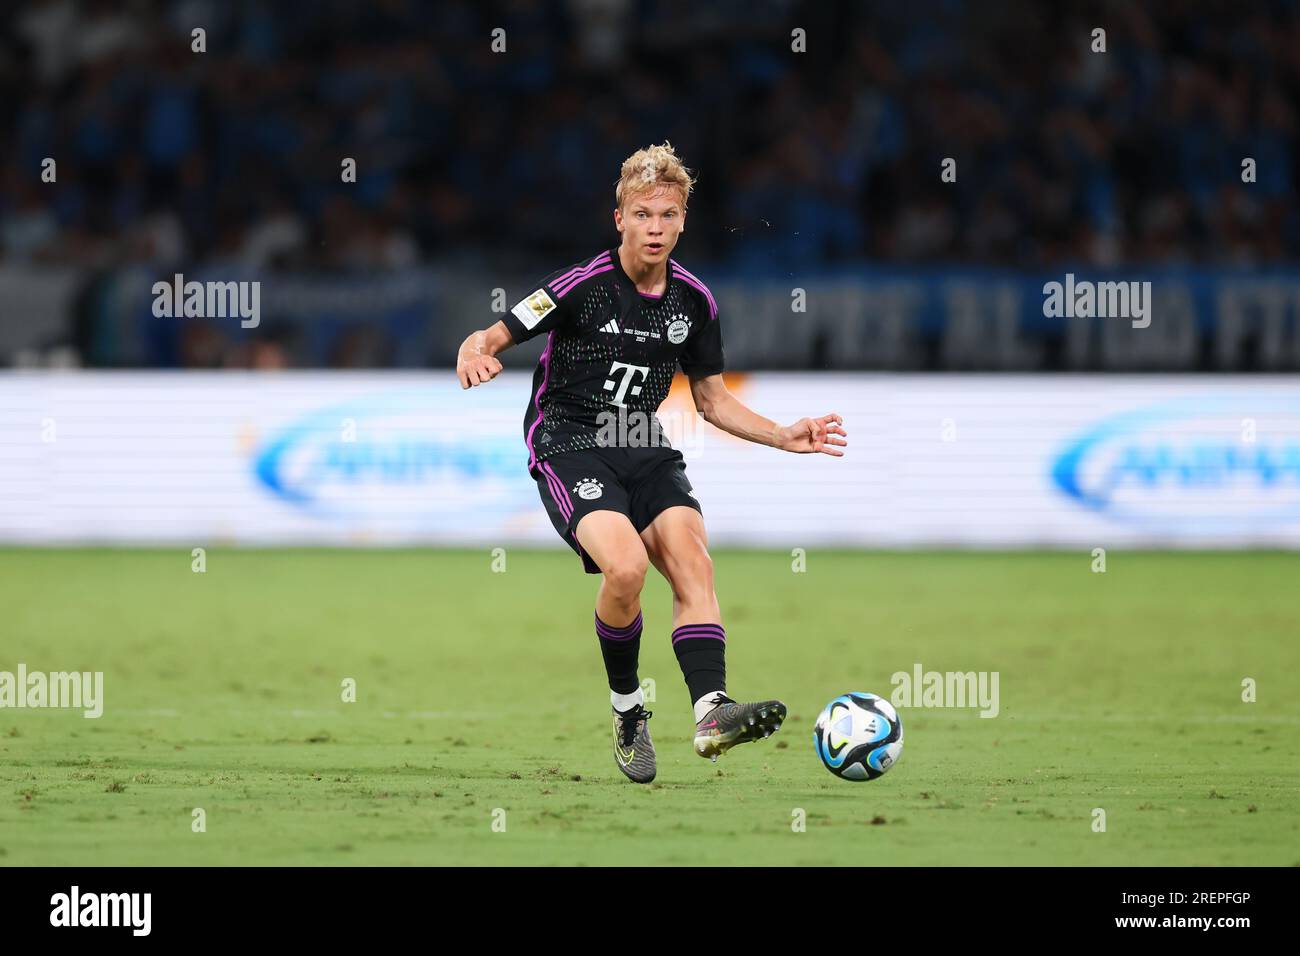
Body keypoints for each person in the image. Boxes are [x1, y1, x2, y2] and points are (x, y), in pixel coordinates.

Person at [456, 143, 846, 783]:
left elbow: (712, 400)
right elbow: (488, 335)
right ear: (620, 220)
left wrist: (782, 434)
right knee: (628, 569)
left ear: (684, 220)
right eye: (643, 215)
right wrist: (475, 354)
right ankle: (629, 709)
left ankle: (712, 710)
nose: (656, 228)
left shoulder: (695, 303)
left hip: (642, 439)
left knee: (694, 559)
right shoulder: (577, 287)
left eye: (668, 215)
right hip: (569, 439)